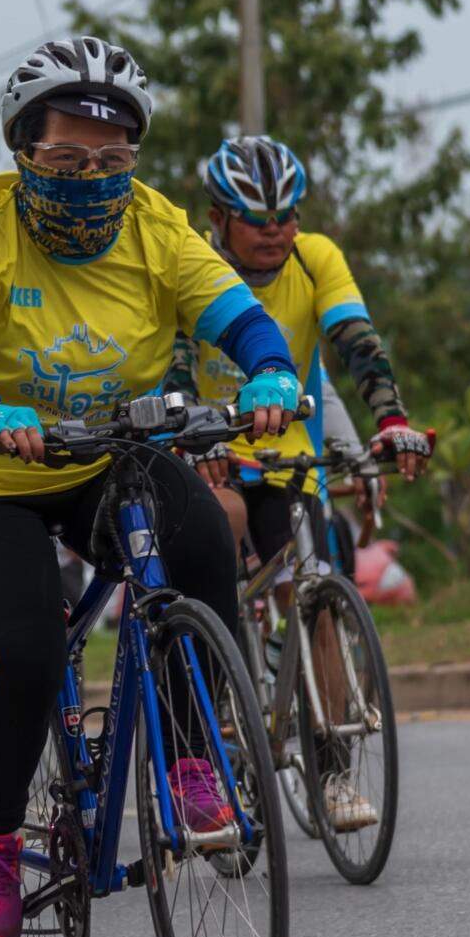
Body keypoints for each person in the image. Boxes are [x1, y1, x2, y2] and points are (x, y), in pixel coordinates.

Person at [0, 35, 301, 937]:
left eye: (112, 160)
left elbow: (234, 312)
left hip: (101, 458)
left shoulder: (156, 225)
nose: (90, 176)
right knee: (31, 647)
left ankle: (193, 759)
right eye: (66, 158)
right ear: (22, 152)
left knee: (202, 544)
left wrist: (271, 372)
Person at [163, 135, 430, 832]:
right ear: (218, 218)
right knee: (219, 524)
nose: (276, 230)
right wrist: (196, 435)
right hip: (215, 455)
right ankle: (219, 708)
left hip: (288, 458)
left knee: (317, 596)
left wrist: (392, 418)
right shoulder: (193, 263)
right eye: (257, 218)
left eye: (287, 215)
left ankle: (333, 769)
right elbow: (176, 365)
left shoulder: (317, 259)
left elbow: (356, 342)